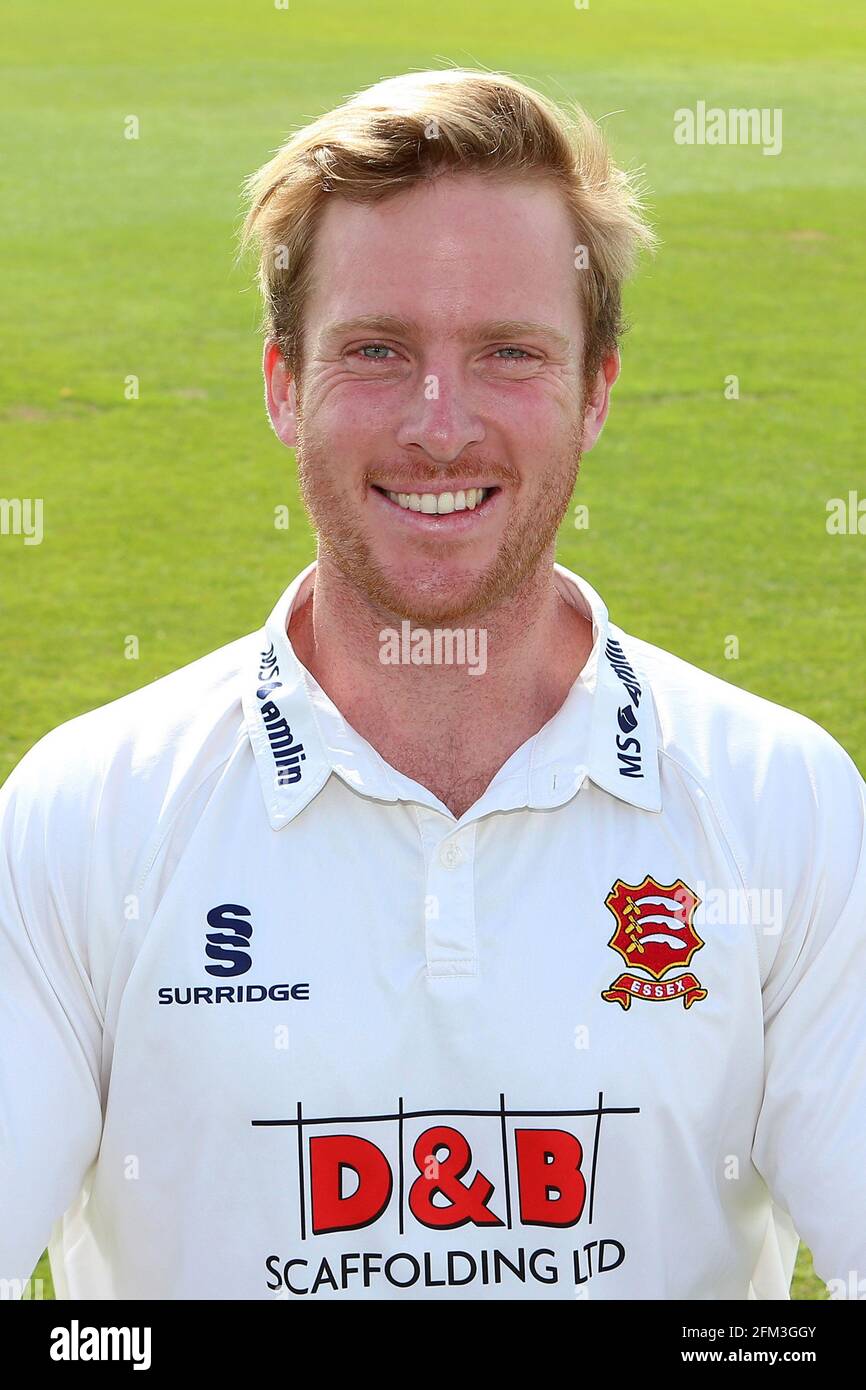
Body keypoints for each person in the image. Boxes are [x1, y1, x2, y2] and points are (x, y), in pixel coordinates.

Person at [1, 68, 864, 1302]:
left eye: (509, 353)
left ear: (596, 392)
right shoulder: (81, 813)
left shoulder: (782, 802)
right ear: (281, 387)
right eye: (376, 350)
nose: (440, 425)